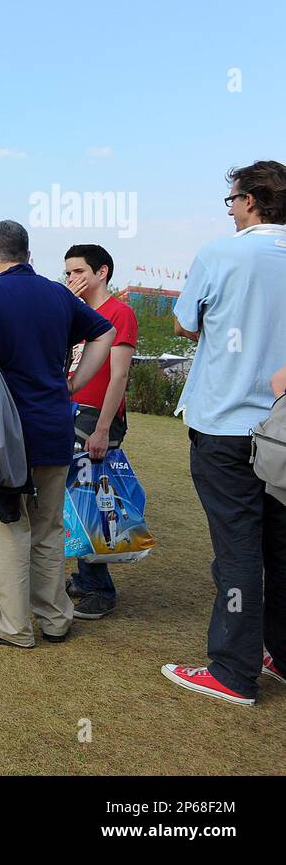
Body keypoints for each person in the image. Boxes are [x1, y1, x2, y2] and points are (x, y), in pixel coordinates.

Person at [0, 220, 114, 648]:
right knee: (48, 527)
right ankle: (56, 617)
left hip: (6, 433)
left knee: (4, 524)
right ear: (26, 253)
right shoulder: (57, 293)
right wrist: (74, 383)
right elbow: (106, 332)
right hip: (54, 427)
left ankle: (12, 624)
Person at [162, 161, 286, 706]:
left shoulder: (221, 253)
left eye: (233, 200)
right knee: (280, 548)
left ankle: (234, 671)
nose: (231, 209)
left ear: (253, 200)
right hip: (281, 426)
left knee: (236, 551)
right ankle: (277, 653)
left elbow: (185, 322)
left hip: (226, 425)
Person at [63, 243, 138, 620]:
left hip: (96, 418)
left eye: (78, 271)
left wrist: (104, 429)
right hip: (72, 410)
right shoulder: (76, 312)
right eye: (68, 272)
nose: (71, 278)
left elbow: (119, 374)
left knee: (91, 500)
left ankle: (99, 589)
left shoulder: (119, 313)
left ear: (101, 272)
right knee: (73, 500)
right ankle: (84, 576)